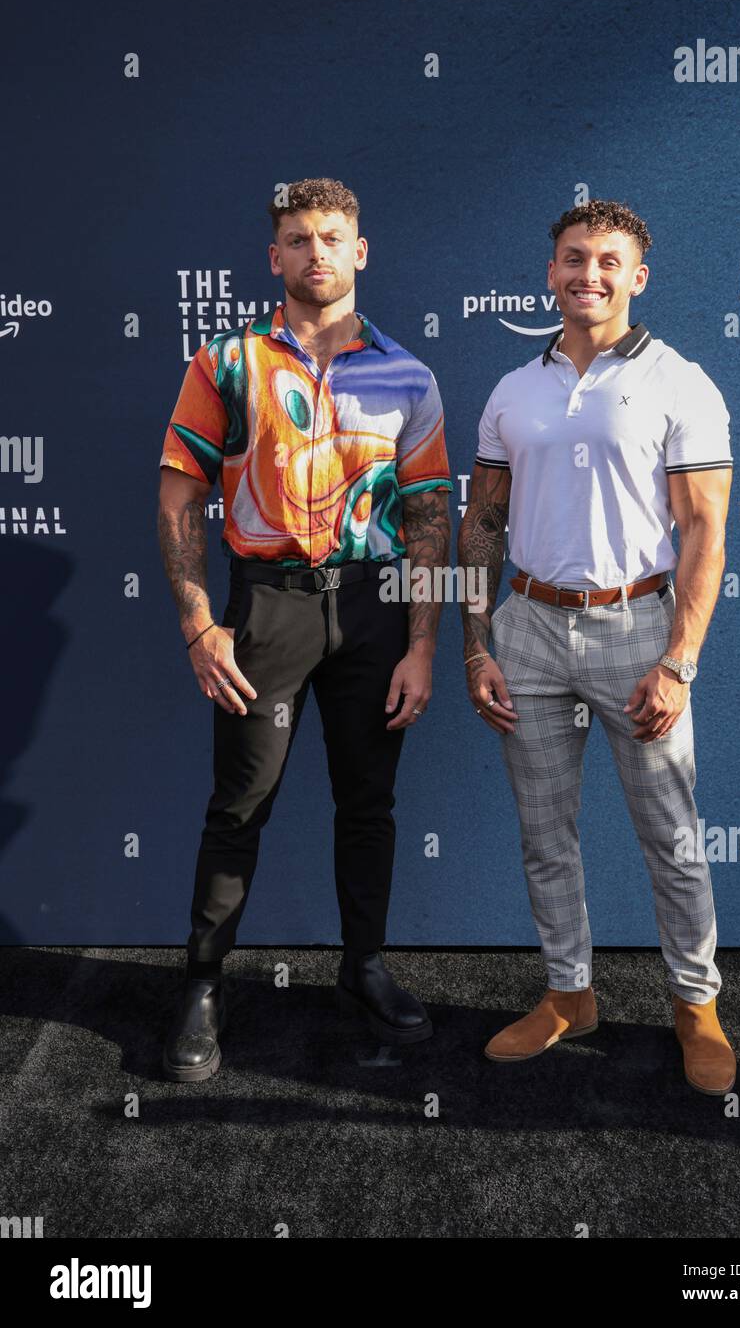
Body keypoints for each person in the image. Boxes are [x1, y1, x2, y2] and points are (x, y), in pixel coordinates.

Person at [157, 177, 452, 1080]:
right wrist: (201, 624)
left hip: (370, 606)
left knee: (369, 804)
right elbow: (179, 494)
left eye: (331, 236)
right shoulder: (226, 361)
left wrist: (421, 643)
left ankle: (361, 971)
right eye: (296, 238)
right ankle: (203, 986)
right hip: (267, 606)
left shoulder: (409, 374)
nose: (314, 251)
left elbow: (431, 517)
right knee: (239, 805)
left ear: (359, 252)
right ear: (274, 257)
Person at [457, 198, 736, 1095]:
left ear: (636, 276)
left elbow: (704, 532)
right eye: (573, 258)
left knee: (671, 836)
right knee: (546, 837)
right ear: (550, 272)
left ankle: (695, 1006)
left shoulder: (681, 383)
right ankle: (568, 995)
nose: (589, 274)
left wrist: (678, 661)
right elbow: (481, 526)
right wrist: (475, 643)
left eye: (609, 260)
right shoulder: (511, 389)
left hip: (637, 630)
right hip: (527, 630)